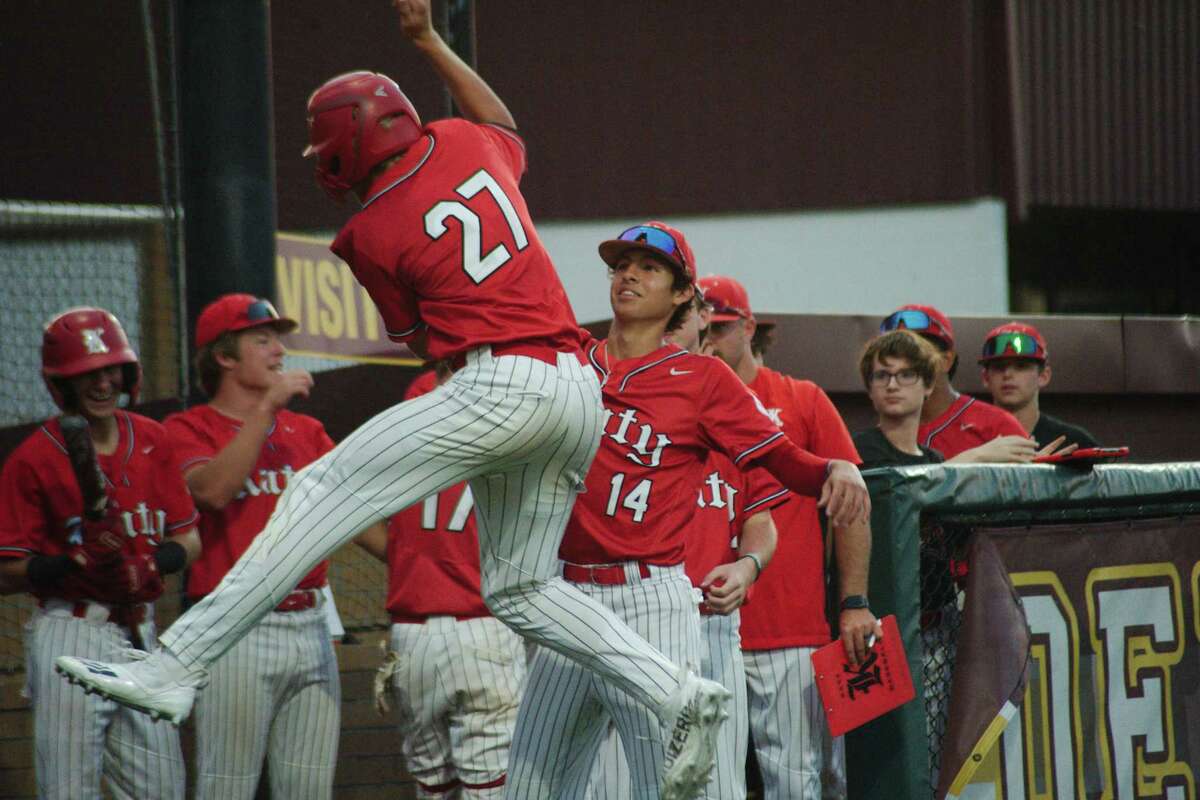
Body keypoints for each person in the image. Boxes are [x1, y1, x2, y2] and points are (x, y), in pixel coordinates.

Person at [59, 4, 846, 795]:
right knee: (518, 587)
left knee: (319, 488)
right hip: (576, 385)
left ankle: (177, 662)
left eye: (324, 140)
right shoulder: (465, 141)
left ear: (352, 141)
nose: (318, 155)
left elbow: (424, 341)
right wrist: (430, 45)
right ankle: (675, 687)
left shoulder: (363, 231)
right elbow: (500, 120)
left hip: (502, 381)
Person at [505, 222, 866, 800]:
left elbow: (779, 458)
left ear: (681, 295)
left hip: (651, 599)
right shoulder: (570, 359)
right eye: (621, 264)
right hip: (567, 597)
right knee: (529, 789)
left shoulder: (702, 379)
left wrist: (832, 469)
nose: (628, 274)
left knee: (673, 790)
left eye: (648, 267)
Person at [584, 292, 787, 800]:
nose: (674, 331)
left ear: (700, 321)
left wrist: (747, 566)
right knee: (614, 786)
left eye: (700, 319)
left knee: (717, 786)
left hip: (710, 621)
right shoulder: (606, 392)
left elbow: (760, 518)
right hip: (623, 614)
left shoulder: (732, 405)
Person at [162, 294, 358, 799]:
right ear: (225, 356)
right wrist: (267, 408)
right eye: (263, 339)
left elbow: (355, 514)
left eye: (280, 338)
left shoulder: (307, 430)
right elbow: (211, 490)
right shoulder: (186, 428)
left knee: (309, 791)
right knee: (226, 787)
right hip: (236, 628)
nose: (279, 349)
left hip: (312, 625)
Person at [0, 307, 201, 800]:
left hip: (139, 630)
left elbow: (190, 539)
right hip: (71, 633)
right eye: (87, 373)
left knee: (162, 789)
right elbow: (6, 571)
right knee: (70, 790)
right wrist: (71, 564)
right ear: (61, 382)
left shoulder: (154, 439)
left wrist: (153, 564)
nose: (103, 382)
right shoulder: (34, 458)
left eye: (111, 369)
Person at [698, 274, 880, 800]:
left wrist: (853, 602)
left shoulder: (799, 398)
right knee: (707, 780)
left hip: (791, 628)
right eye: (702, 324)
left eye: (723, 326)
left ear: (750, 327)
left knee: (803, 781)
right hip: (704, 628)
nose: (711, 335)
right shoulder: (683, 397)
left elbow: (851, 510)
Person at [357, 363, 526, 799]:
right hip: (481, 627)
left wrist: (411, 556)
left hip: (411, 637)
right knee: (490, 784)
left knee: (433, 786)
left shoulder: (404, 447)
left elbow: (354, 518)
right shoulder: (505, 438)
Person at [878, 305, 1053, 462]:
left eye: (915, 354)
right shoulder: (878, 438)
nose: (904, 365)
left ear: (947, 360)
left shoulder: (996, 425)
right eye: (893, 358)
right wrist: (975, 457)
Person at [978, 322, 1099, 449]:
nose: (1007, 374)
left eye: (1021, 366)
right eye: (999, 367)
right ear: (986, 378)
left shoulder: (1074, 443)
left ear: (1043, 376)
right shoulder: (967, 438)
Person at [853, 330, 945, 469]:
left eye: (906, 375)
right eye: (882, 376)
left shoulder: (934, 459)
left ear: (928, 385)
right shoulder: (857, 449)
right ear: (869, 388)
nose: (892, 386)